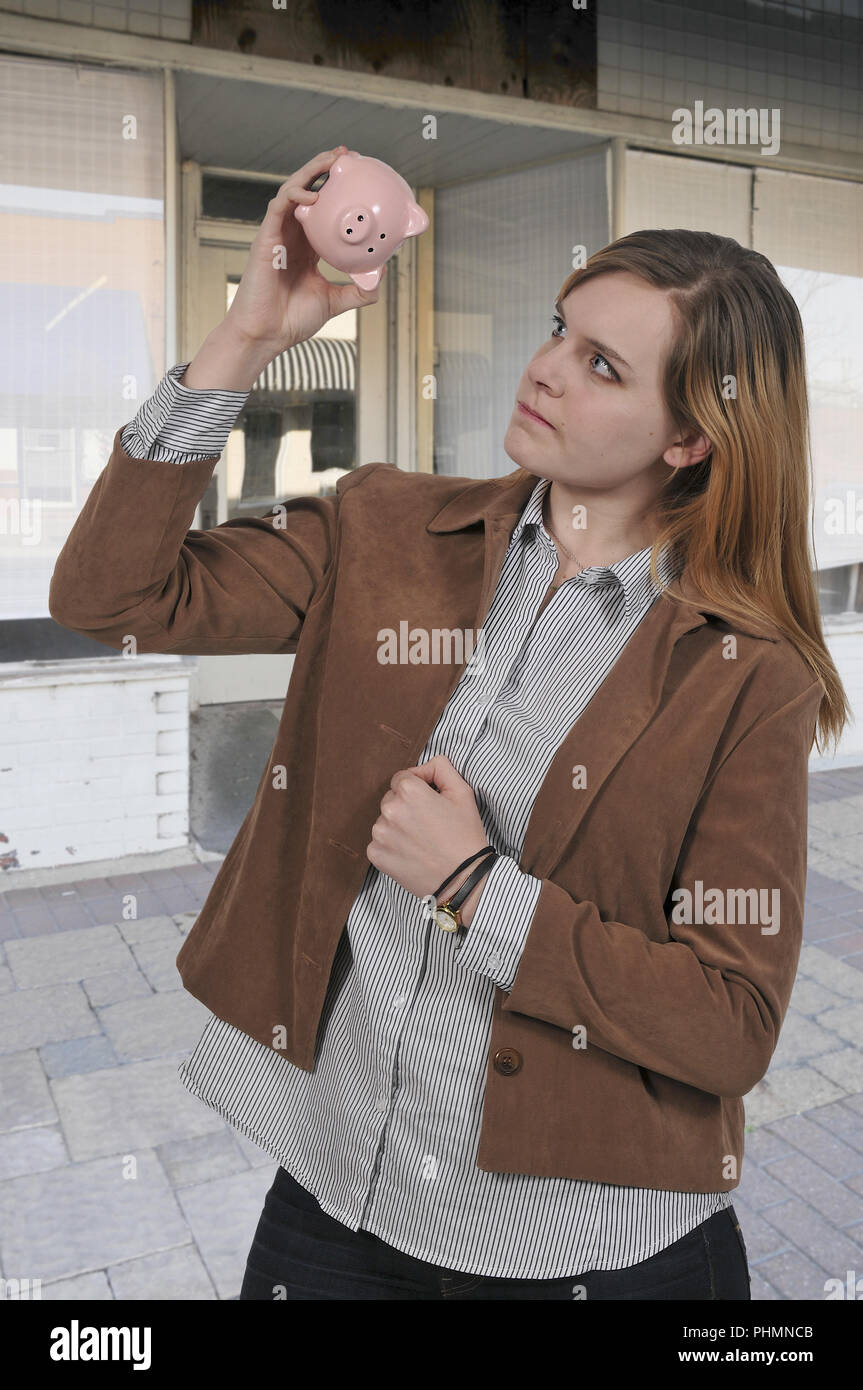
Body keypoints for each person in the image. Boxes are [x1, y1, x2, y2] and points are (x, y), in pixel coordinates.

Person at [49, 146, 848, 1301]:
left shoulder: (741, 674)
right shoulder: (385, 530)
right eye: (557, 331)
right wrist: (244, 341)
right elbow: (111, 600)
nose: (546, 371)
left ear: (688, 438)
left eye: (602, 365)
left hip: (574, 1251)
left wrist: (477, 887)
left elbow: (729, 1025)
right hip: (336, 1202)